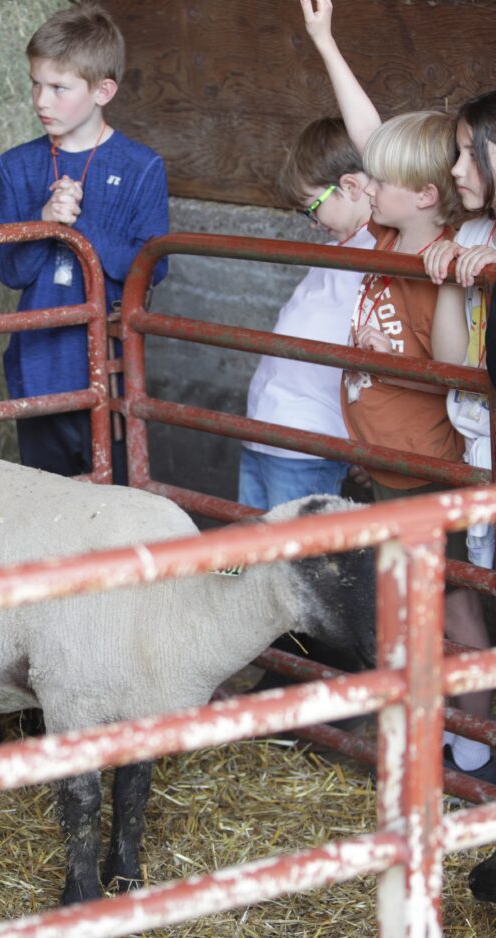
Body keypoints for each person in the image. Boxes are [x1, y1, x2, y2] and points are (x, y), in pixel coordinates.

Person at [303, 0, 495, 781]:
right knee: (409, 602)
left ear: (421, 195)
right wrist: (324, 42)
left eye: (380, 181)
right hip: (385, 464)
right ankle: (433, 724)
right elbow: (370, 136)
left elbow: (448, 365)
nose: (364, 184)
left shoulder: (445, 254)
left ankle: (470, 740)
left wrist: (450, 283)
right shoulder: (388, 236)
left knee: (453, 604)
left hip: (427, 467)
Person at [0, 0, 168, 481]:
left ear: (103, 90)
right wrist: (44, 221)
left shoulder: (142, 167)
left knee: (115, 495)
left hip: (110, 372)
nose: (41, 101)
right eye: (36, 84)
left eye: (58, 88)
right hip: (37, 368)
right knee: (47, 497)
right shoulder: (14, 167)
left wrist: (81, 223)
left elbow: (151, 268)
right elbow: (9, 271)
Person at [239, 117, 375, 510]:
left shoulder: (382, 249)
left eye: (312, 208)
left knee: (294, 547)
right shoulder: (338, 249)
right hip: (265, 426)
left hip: (309, 439)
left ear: (351, 187)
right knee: (250, 540)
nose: (313, 224)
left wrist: (371, 441)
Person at [424, 90, 496, 568]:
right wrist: (450, 276)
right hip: (478, 446)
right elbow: (450, 363)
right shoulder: (471, 234)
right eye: (457, 153)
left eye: (472, 154)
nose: (454, 169)